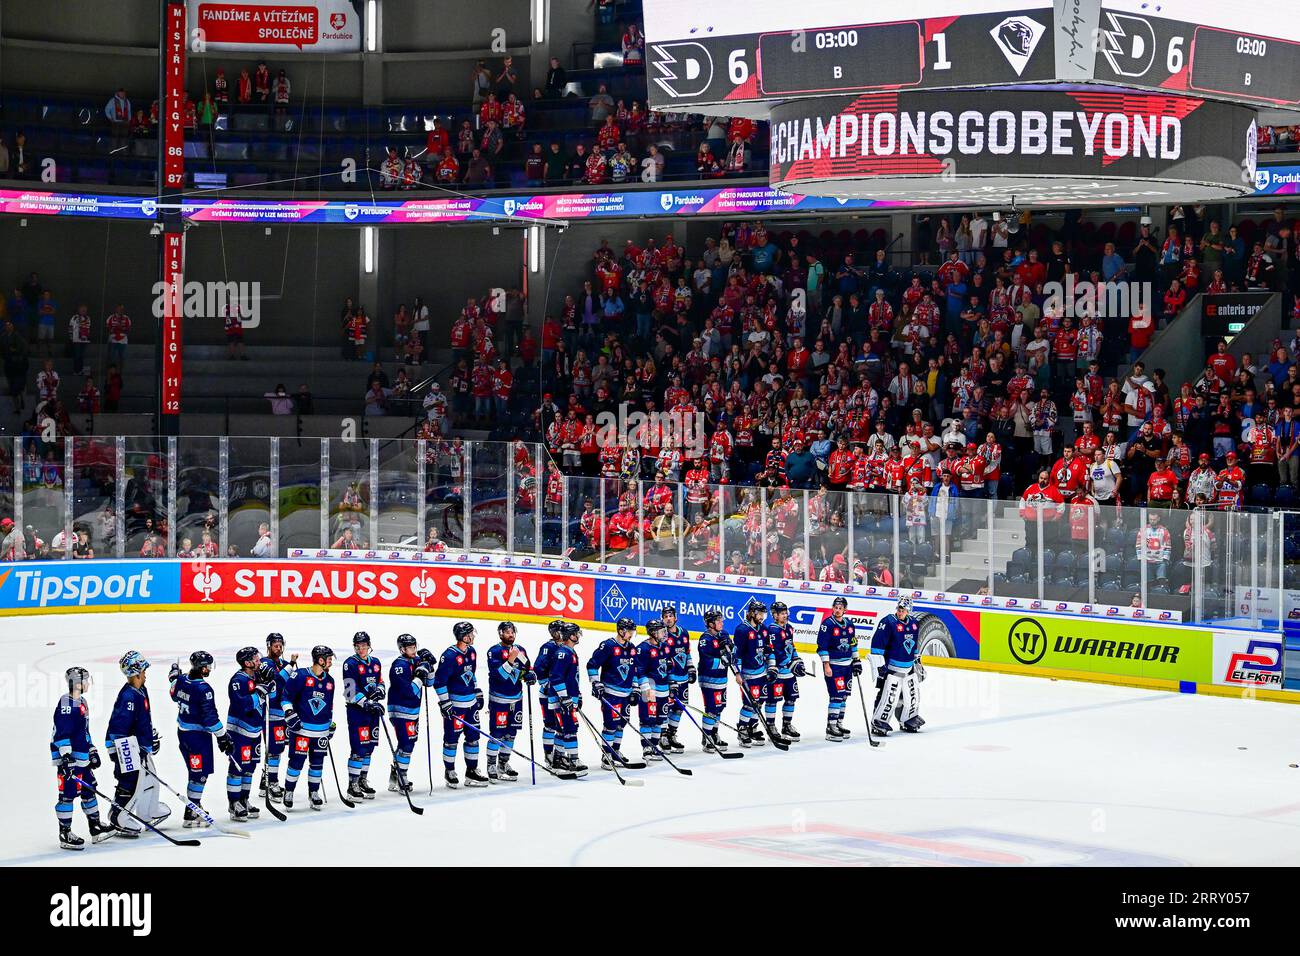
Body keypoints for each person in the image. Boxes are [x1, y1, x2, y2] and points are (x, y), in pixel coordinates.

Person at [51, 665, 112, 850]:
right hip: (69, 760)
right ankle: (65, 833)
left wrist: (91, 750)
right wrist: (66, 757)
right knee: (67, 796)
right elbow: (61, 734)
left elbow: (84, 731)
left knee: (89, 790)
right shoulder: (66, 704)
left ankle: (95, 826)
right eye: (85, 679)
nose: (88, 683)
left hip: (82, 756)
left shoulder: (81, 701)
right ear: (77, 683)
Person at [168, 650, 230, 827]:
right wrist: (222, 736)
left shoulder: (181, 680)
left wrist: (173, 677)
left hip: (183, 733)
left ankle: (194, 804)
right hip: (198, 738)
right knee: (200, 773)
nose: (209, 669)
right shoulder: (203, 689)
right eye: (208, 666)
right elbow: (210, 718)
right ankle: (192, 810)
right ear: (202, 669)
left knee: (194, 771)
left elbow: (174, 693)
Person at [105, 650, 162, 837]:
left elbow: (141, 721)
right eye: (144, 670)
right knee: (131, 782)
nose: (146, 674)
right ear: (136, 672)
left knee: (152, 779)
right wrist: (125, 752)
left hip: (136, 745)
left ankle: (148, 812)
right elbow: (119, 728)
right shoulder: (128, 697)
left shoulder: (140, 690)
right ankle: (118, 817)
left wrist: (148, 739)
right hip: (125, 747)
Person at [280, 644, 336, 811]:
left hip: (321, 731)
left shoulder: (330, 681)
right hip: (302, 730)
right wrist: (289, 714)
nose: (331, 662)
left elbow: (330, 706)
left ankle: (314, 793)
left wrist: (329, 724)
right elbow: (285, 697)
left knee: (317, 763)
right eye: (329, 659)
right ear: (320, 660)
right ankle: (288, 792)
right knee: (296, 763)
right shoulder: (300, 675)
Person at [433, 621, 488, 788]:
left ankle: (472, 771)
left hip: (471, 705)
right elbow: (439, 682)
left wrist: (477, 691)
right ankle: (449, 771)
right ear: (464, 637)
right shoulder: (449, 656)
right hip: (455, 707)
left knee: (473, 738)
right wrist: (445, 703)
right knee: (451, 740)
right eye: (471, 633)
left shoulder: (472, 652)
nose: (473, 636)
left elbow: (471, 674)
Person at [587, 617, 639, 770]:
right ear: (621, 631)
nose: (631, 634)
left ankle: (615, 751)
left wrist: (635, 688)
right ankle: (606, 755)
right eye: (629, 631)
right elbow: (592, 665)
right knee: (610, 725)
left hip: (626, 693)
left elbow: (634, 670)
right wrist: (596, 683)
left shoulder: (632, 648)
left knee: (622, 724)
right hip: (611, 693)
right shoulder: (608, 646)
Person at [485, 620, 532, 782]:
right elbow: (499, 675)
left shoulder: (521, 650)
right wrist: (511, 659)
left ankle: (503, 763)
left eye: (512, 632)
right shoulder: (494, 651)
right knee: (497, 733)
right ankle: (491, 764)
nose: (510, 634)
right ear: (500, 634)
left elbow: (526, 669)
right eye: (507, 632)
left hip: (516, 698)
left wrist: (529, 675)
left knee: (511, 733)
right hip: (499, 699)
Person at [870, 596, 924, 736]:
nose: (900, 612)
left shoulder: (913, 623)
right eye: (899, 609)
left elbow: (915, 644)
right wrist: (879, 664)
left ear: (909, 610)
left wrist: (917, 661)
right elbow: (877, 644)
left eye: (904, 610)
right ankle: (878, 721)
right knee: (887, 695)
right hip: (891, 667)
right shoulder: (888, 622)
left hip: (908, 666)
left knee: (909, 695)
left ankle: (907, 718)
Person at [224, 647, 267, 821]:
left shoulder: (257, 676)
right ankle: (234, 803)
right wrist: (259, 693)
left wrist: (269, 684)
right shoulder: (237, 680)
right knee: (238, 767)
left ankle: (244, 799)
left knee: (250, 768)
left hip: (255, 731)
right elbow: (243, 705)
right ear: (247, 663)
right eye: (256, 659)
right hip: (239, 732)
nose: (259, 661)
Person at [387, 633, 432, 794]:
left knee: (408, 742)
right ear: (402, 649)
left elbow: (430, 683)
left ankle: (395, 772)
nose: (414, 650)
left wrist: (430, 666)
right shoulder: (399, 666)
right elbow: (410, 691)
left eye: (415, 647)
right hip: (399, 709)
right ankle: (401, 777)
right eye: (410, 648)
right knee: (406, 743)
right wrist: (420, 675)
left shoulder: (416, 661)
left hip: (413, 710)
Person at [342, 631, 385, 801]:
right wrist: (366, 702)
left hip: (372, 712)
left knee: (369, 748)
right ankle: (352, 785)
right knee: (359, 748)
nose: (361, 649)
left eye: (364, 646)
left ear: (369, 645)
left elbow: (380, 681)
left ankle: (362, 780)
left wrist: (380, 691)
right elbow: (349, 691)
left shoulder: (375, 663)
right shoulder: (349, 664)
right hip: (357, 712)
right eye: (358, 646)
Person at [733, 601, 779, 747]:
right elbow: (736, 655)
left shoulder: (764, 629)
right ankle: (742, 729)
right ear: (752, 613)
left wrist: (771, 668)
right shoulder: (742, 630)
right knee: (749, 704)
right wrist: (737, 673)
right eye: (759, 613)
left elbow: (769, 650)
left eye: (763, 614)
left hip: (762, 673)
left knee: (760, 701)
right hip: (748, 674)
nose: (762, 617)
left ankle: (752, 726)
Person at [257, 633, 296, 803]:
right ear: (269, 646)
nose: (278, 648)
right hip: (269, 714)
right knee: (274, 749)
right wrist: (292, 665)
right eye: (275, 645)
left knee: (277, 749)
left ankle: (265, 782)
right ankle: (272, 783)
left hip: (283, 714)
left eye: (280, 645)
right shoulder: (264, 663)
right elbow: (278, 681)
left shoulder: (285, 664)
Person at [546, 621, 587, 775]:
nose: (578, 636)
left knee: (564, 729)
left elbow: (573, 678)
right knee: (569, 729)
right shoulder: (562, 653)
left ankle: (558, 759)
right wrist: (564, 697)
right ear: (570, 636)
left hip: (569, 698)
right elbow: (555, 678)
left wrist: (578, 696)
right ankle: (573, 759)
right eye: (576, 633)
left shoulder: (571, 652)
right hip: (562, 700)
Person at [765, 600, 805, 740]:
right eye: (781, 613)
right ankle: (770, 726)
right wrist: (790, 663)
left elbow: (791, 647)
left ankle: (786, 725)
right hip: (777, 672)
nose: (784, 615)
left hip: (789, 673)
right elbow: (776, 651)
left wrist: (797, 660)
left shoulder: (789, 628)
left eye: (785, 613)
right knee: (772, 700)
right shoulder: (772, 630)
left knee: (791, 699)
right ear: (774, 615)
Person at [695, 609, 733, 752]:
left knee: (720, 706)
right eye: (718, 620)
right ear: (710, 624)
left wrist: (730, 649)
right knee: (711, 708)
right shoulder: (705, 639)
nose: (721, 622)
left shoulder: (724, 634)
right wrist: (723, 660)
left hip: (722, 678)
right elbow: (706, 661)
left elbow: (732, 652)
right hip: (708, 679)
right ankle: (707, 737)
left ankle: (714, 733)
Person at [634, 618, 673, 758]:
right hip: (649, 688)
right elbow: (639, 670)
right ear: (653, 633)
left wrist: (672, 683)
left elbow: (668, 667)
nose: (664, 633)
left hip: (663, 689)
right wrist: (646, 689)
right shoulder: (642, 649)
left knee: (660, 720)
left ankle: (655, 746)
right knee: (647, 719)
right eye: (661, 631)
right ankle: (647, 748)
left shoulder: (665, 646)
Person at [660, 603, 694, 752]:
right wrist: (668, 678)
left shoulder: (684, 633)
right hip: (670, 679)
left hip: (683, 678)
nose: (668, 619)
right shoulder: (661, 636)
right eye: (665, 616)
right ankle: (663, 736)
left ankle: (672, 734)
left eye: (670, 616)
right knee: (666, 707)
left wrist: (691, 668)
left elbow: (687, 653)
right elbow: (661, 660)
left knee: (680, 708)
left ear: (676, 617)